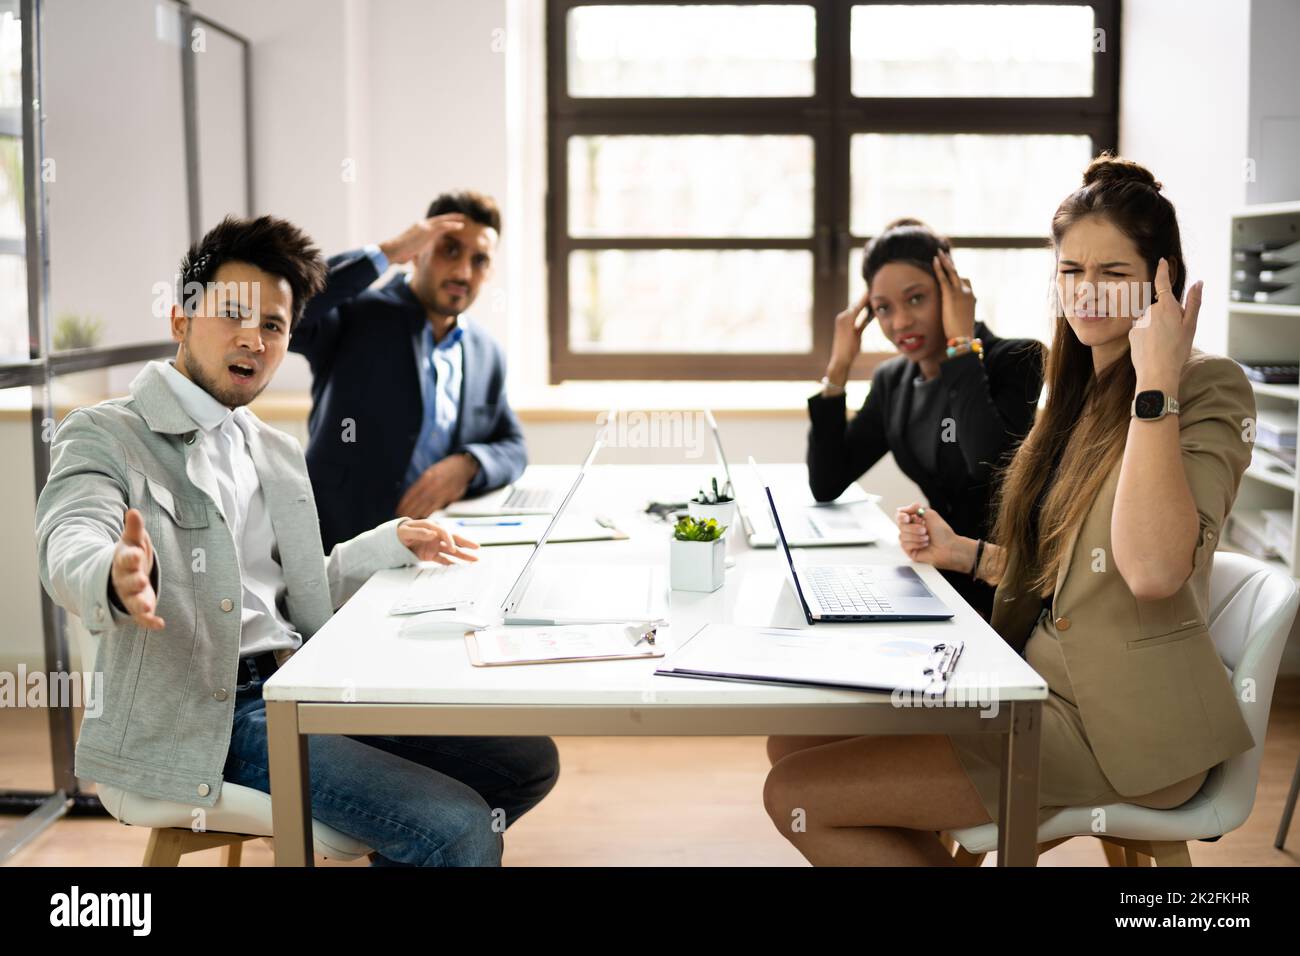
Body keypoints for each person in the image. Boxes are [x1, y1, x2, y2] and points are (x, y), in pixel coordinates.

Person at [764, 156, 1256, 866]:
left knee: (794, 795)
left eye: (1113, 275)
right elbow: (1067, 570)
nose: (1086, 294)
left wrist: (1157, 384)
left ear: (1162, 282)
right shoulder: (1082, 385)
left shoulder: (1205, 388)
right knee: (792, 743)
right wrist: (964, 553)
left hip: (1122, 727)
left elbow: (1150, 571)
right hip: (1031, 681)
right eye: (1071, 271)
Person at [35, 215, 558, 866]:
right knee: (459, 829)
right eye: (234, 313)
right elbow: (69, 533)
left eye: (275, 326)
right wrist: (110, 574)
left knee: (525, 761)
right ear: (181, 321)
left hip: (299, 687)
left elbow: (300, 596)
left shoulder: (274, 450)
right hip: (208, 720)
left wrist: (388, 542)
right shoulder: (108, 433)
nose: (254, 338)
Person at [808, 219, 1045, 619]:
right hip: (937, 582)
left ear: (952, 292)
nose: (899, 323)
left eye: (916, 299)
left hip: (1008, 587)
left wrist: (960, 344)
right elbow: (827, 482)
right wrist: (838, 367)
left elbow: (988, 464)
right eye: (883, 308)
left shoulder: (1016, 359)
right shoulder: (894, 380)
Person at [290, 191, 527, 551]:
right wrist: (386, 253)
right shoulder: (355, 313)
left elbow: (513, 446)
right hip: (338, 547)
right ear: (418, 251)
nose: (463, 272)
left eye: (479, 260)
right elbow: (291, 307)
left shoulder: (486, 352)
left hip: (435, 548)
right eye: (450, 250)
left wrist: (466, 465)